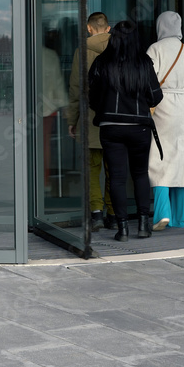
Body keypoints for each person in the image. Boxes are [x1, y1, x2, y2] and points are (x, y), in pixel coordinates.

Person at [88, 20, 162, 241]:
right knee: (140, 174)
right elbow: (156, 96)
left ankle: (122, 229)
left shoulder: (101, 62)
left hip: (110, 127)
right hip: (139, 127)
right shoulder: (144, 63)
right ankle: (143, 225)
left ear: (113, 38)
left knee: (117, 178)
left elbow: (92, 97)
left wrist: (106, 108)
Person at [146, 11, 184, 230]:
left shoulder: (155, 49)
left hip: (163, 107)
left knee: (160, 161)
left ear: (160, 26)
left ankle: (162, 213)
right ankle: (181, 219)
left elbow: (147, 81)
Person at [65, 12, 115, 230]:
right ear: (108, 28)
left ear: (89, 28)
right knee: (114, 169)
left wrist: (72, 119)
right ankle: (113, 213)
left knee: (92, 169)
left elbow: (76, 88)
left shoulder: (82, 51)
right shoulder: (119, 48)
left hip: (91, 118)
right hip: (116, 118)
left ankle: (96, 213)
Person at [41, 42, 68, 191]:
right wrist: (64, 105)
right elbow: (58, 82)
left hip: (26, 107)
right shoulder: (51, 55)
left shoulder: (20, 52)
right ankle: (44, 181)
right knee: (45, 145)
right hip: (47, 106)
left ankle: (27, 181)